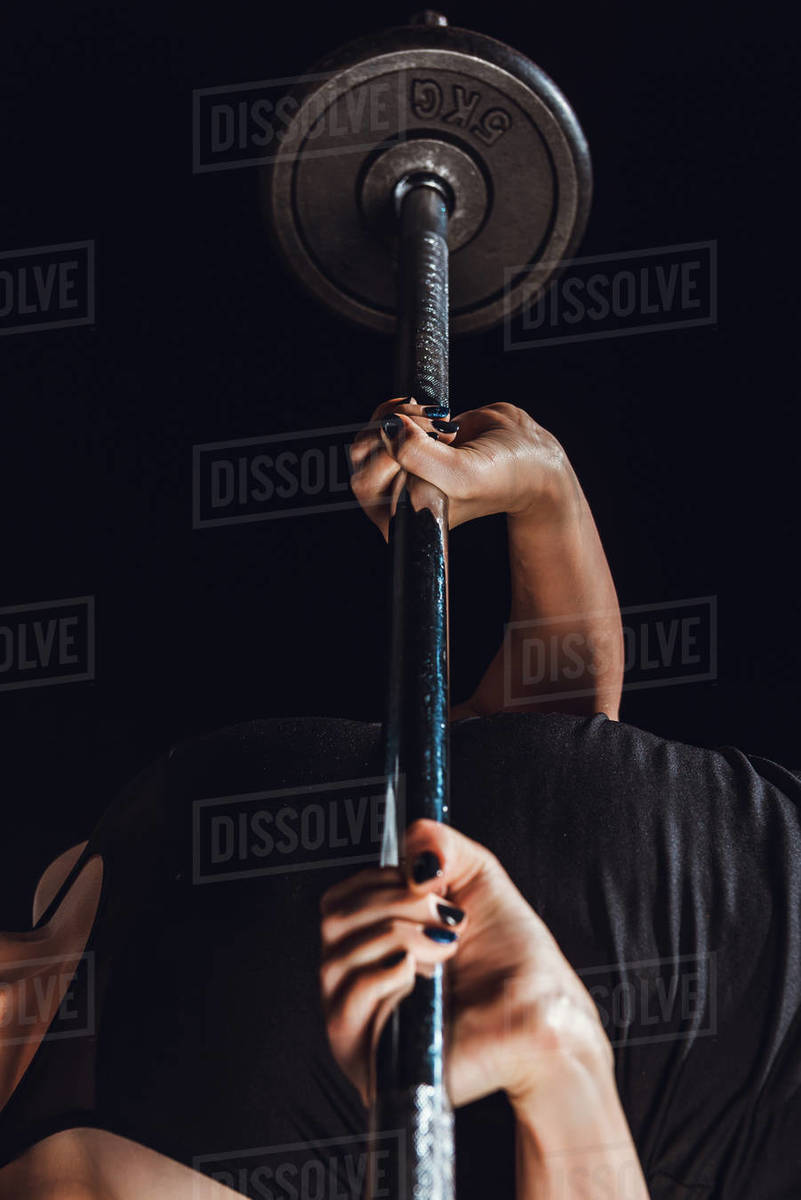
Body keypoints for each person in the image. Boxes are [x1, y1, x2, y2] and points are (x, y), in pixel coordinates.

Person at [0, 401, 799, 1198]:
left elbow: (521, 747)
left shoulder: (82, 868)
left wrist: (541, 498)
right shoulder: (70, 1177)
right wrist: (566, 1074)